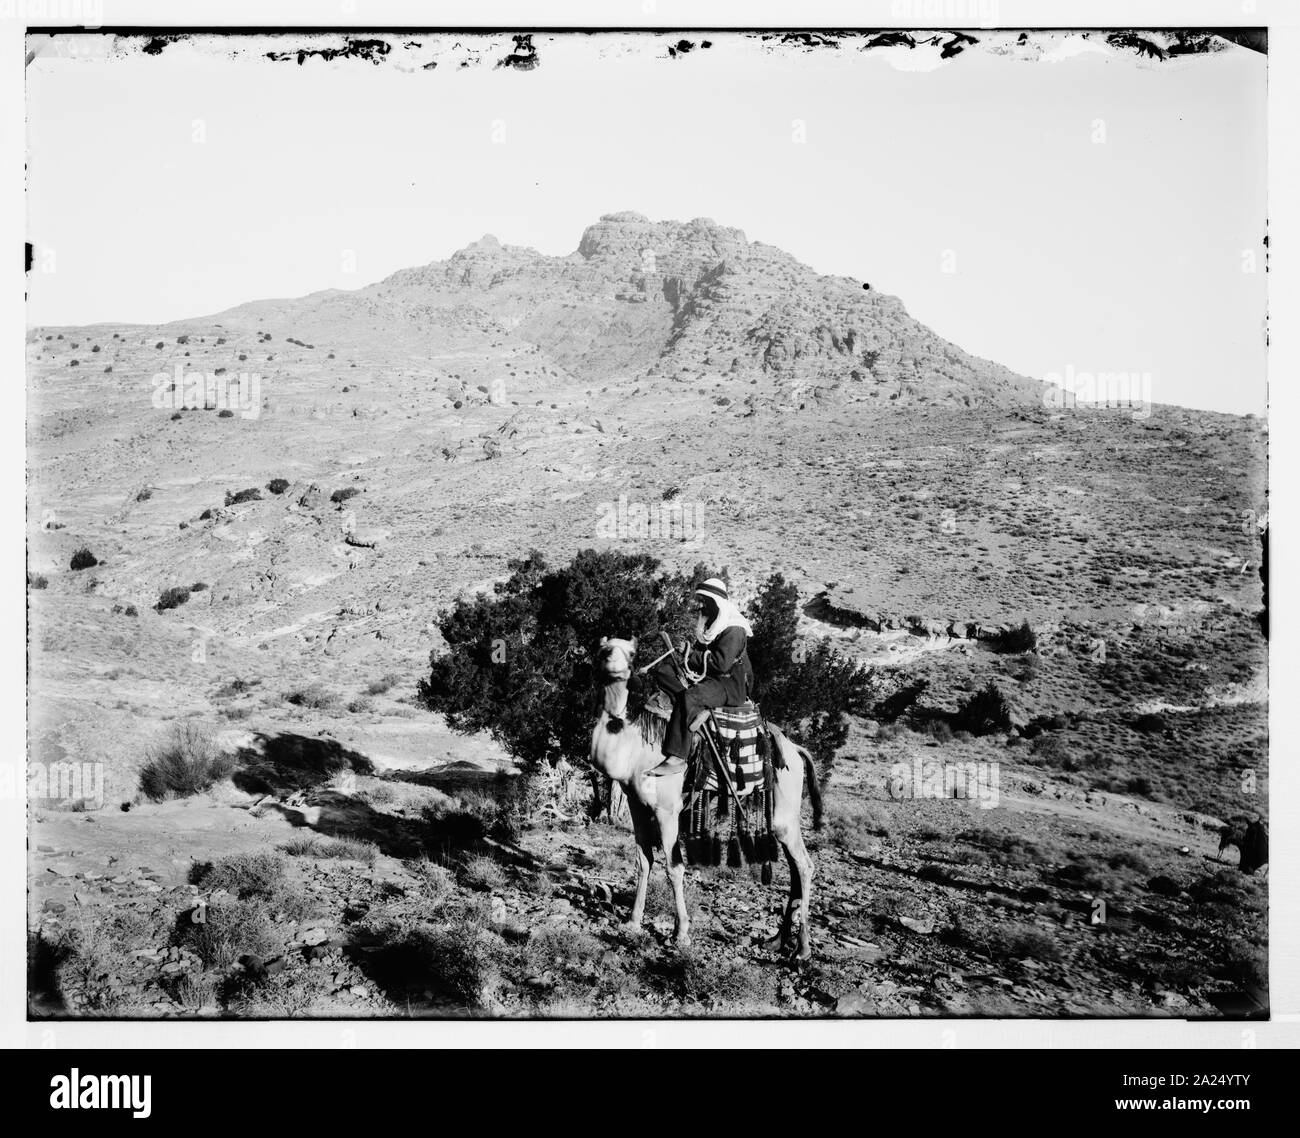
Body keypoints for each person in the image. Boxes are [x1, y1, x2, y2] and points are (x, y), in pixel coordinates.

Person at [650, 577, 754, 775]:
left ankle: (677, 757)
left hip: (729, 683)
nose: (703, 605)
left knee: (691, 696)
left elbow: (721, 663)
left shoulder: (734, 628)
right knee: (662, 671)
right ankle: (690, 709)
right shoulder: (715, 623)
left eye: (707, 601)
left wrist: (690, 654)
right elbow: (701, 651)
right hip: (710, 677)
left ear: (717, 602)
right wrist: (687, 653)